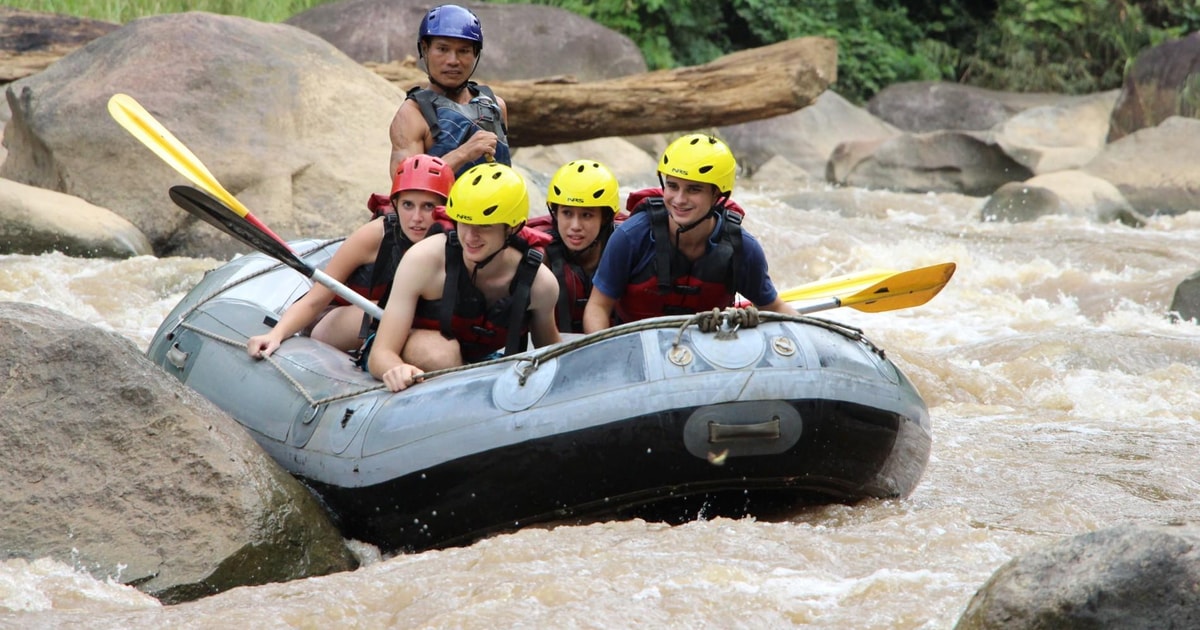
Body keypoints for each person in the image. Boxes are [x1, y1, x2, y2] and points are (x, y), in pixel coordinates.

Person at [368, 163, 561, 392]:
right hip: (413, 355)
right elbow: (380, 354)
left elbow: (550, 356)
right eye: (464, 221)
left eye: (484, 225)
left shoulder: (541, 285)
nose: (470, 236)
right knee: (440, 355)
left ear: (512, 228)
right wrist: (396, 369)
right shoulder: (423, 260)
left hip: (482, 364)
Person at [583, 133, 798, 332]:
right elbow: (598, 307)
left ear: (717, 195)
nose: (679, 199)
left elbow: (774, 307)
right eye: (673, 186)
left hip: (705, 354)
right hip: (636, 352)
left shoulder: (742, 247)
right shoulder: (631, 237)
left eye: (694, 189)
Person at [247, 154, 455, 358]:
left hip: (404, 325)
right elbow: (316, 299)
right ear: (396, 204)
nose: (416, 218)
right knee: (389, 310)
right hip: (333, 321)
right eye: (408, 205)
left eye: (428, 206)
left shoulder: (459, 241)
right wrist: (276, 334)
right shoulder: (374, 236)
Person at [388, 4, 511, 178]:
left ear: (475, 53)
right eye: (442, 49)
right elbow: (405, 187)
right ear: (425, 49)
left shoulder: (495, 105)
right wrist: (463, 154)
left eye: (464, 51)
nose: (453, 60)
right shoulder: (412, 114)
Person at [541, 159, 622, 334]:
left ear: (606, 218)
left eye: (586, 215)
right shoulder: (541, 251)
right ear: (555, 214)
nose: (575, 225)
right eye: (567, 213)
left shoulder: (627, 245)